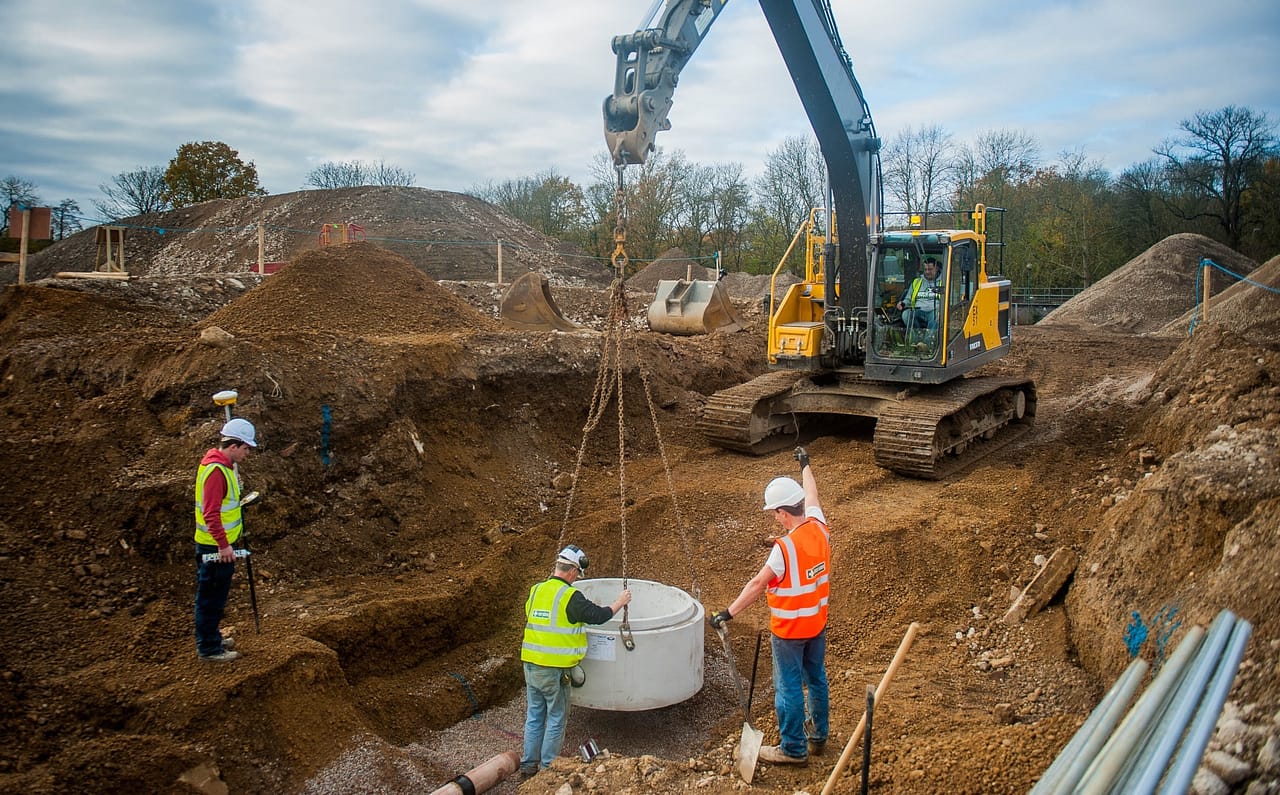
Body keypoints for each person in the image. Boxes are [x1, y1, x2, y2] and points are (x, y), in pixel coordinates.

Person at [710, 446, 830, 765]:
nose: (774, 518)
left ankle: (793, 749)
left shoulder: (784, 549)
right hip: (816, 625)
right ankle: (818, 736)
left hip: (789, 632)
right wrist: (805, 465)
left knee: (788, 688)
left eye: (775, 513)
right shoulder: (819, 527)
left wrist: (728, 613)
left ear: (783, 513)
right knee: (816, 679)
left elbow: (757, 584)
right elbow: (813, 494)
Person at [520, 545, 631, 778]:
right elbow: (599, 616)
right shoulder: (570, 596)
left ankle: (528, 765)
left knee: (535, 715)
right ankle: (547, 770)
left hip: (530, 663)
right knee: (556, 717)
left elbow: (534, 617)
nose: (576, 579)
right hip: (554, 669)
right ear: (572, 571)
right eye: (577, 574)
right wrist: (620, 601)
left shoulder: (536, 590)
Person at [193, 417, 257, 662]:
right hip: (215, 547)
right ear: (233, 446)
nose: (247, 454)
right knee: (210, 598)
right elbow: (210, 513)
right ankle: (209, 648)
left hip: (219, 544)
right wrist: (223, 545)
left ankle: (213, 637)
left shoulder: (222, 466)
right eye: (246, 448)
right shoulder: (217, 472)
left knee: (215, 597)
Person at [897, 256, 944, 331]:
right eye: (925, 269)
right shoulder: (917, 282)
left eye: (930, 269)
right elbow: (908, 299)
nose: (927, 272)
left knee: (937, 315)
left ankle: (929, 338)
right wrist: (903, 303)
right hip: (918, 311)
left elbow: (946, 301)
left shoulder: (943, 282)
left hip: (934, 311)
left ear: (937, 268)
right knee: (906, 314)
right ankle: (916, 336)